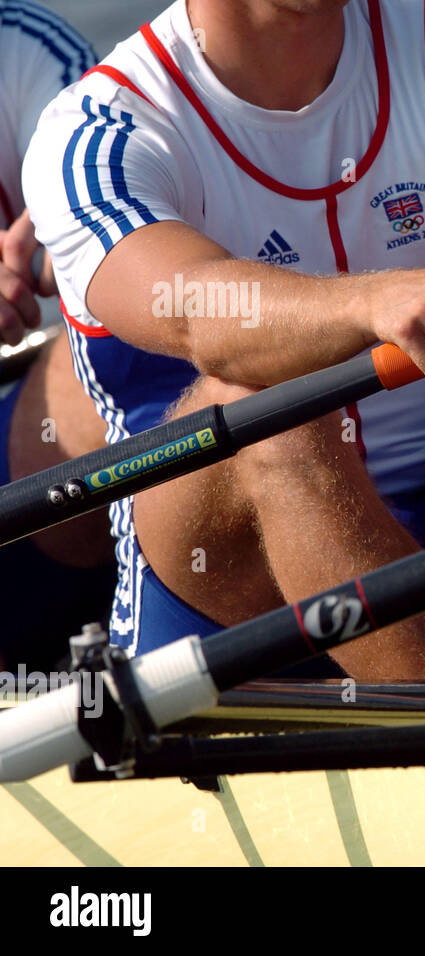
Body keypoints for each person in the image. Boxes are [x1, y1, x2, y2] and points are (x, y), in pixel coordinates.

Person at [24, 0, 425, 679]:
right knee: (263, 409)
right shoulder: (97, 130)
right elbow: (195, 309)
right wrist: (370, 300)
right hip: (238, 622)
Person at [0, 2, 115, 672]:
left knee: (129, 347)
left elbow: (116, 181)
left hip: (28, 442)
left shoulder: (24, 48)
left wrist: (68, 244)